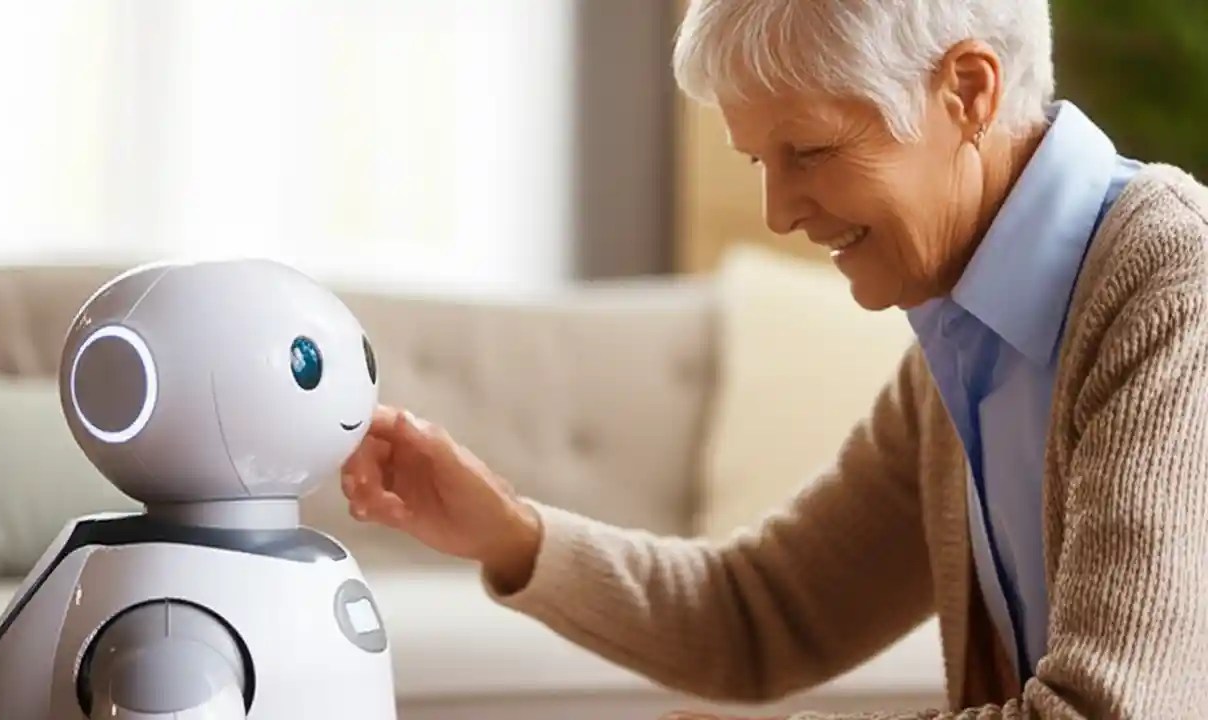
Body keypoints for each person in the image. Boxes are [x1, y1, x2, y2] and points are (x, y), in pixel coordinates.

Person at [341, 0, 1208, 717]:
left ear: (968, 91)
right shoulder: (961, 337)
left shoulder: (1172, 290)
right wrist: (507, 530)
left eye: (811, 152)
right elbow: (761, 617)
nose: (778, 212)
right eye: (760, 160)